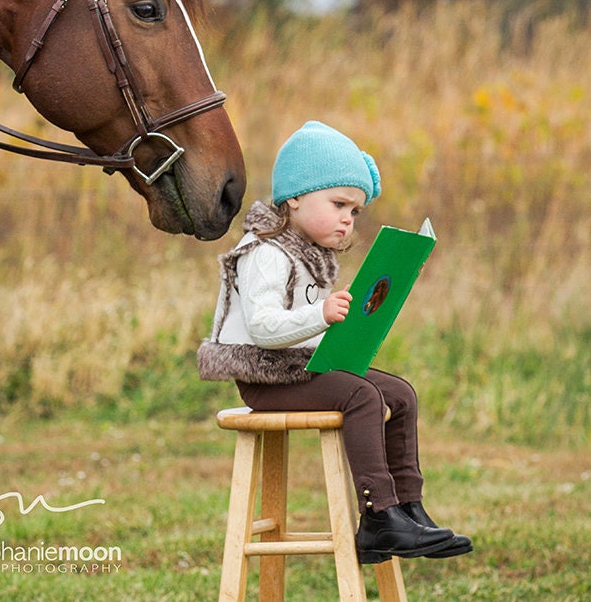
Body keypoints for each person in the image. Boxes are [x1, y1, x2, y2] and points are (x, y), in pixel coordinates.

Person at [198, 120, 472, 563]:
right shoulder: (266, 251)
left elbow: (312, 330)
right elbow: (265, 327)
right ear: (296, 198)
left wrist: (361, 320)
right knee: (361, 396)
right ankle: (378, 517)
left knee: (398, 394)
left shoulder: (309, 253)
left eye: (355, 211)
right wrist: (320, 314)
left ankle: (407, 508)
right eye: (339, 203)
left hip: (302, 369)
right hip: (264, 378)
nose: (348, 218)